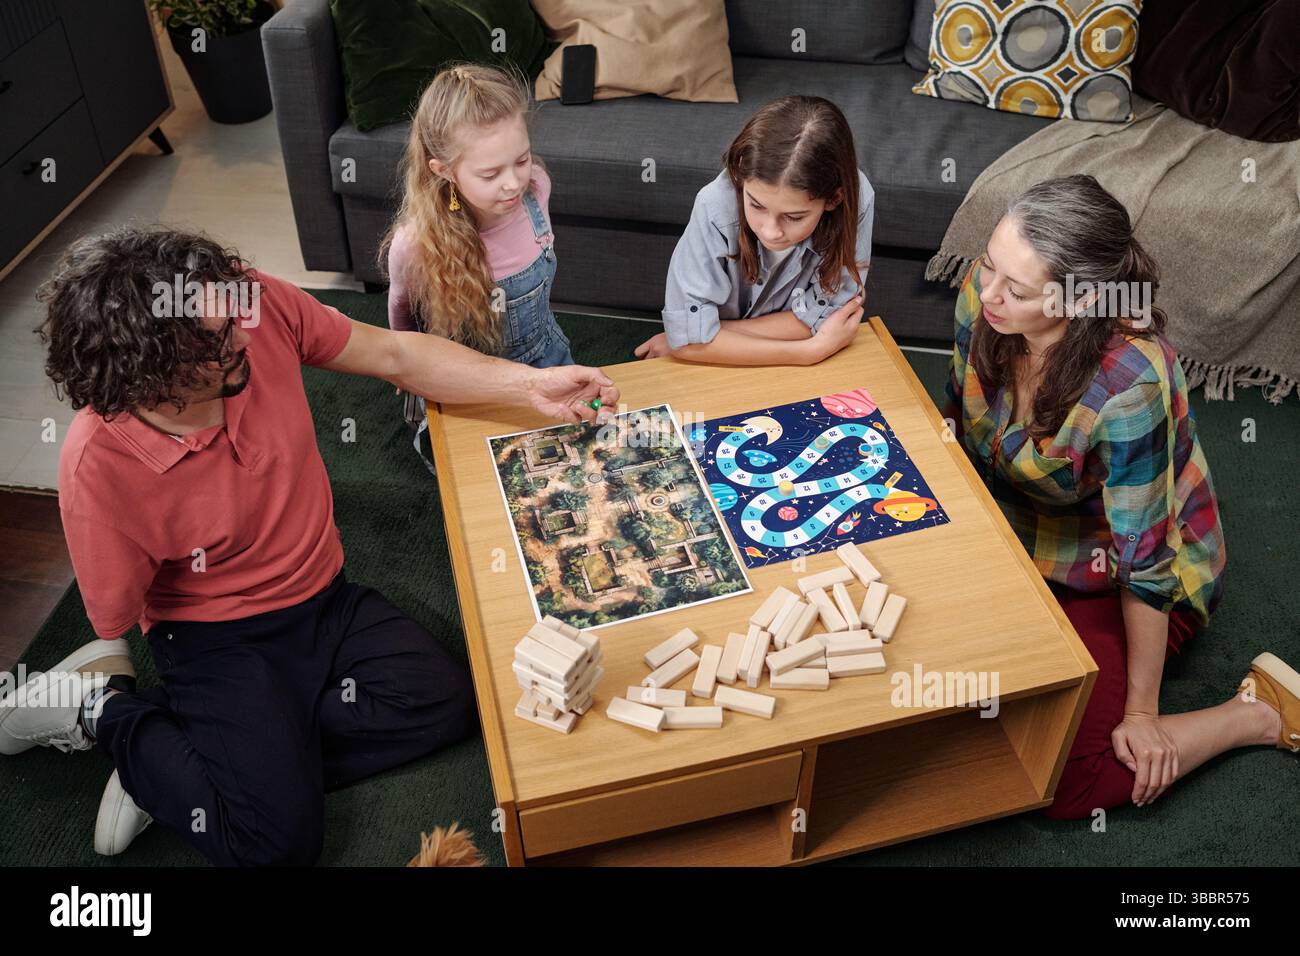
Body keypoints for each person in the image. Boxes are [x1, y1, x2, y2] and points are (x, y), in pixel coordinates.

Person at [0, 227, 617, 865]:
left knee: (448, 704)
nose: (244, 332)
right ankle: (108, 712)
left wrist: (525, 386)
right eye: (216, 343)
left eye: (233, 310)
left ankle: (192, 767)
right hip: (217, 636)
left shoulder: (243, 305)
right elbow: (116, 614)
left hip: (325, 593)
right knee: (276, 850)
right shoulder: (95, 467)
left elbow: (395, 357)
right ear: (149, 378)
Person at [941, 174, 1298, 818]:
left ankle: (1259, 712)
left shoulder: (1132, 382)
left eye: (1017, 290)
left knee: (1069, 773)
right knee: (936, 697)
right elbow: (956, 425)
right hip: (1015, 538)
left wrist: (1142, 713)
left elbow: (1146, 560)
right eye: (989, 265)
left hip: (1116, 572)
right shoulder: (983, 295)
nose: (988, 293)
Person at [634, 95, 873, 366]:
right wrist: (810, 351)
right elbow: (690, 343)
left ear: (834, 199)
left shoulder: (858, 197)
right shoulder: (714, 204)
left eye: (794, 216)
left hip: (726, 355)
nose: (771, 232)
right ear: (739, 176)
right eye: (756, 205)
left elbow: (832, 316)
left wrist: (701, 335)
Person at [383, 63, 572, 369]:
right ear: (445, 171)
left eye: (521, 159)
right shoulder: (415, 243)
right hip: (462, 378)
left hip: (545, 360)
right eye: (490, 174)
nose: (513, 183)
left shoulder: (537, 188)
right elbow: (401, 310)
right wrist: (405, 369)